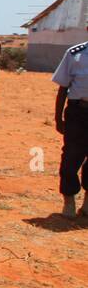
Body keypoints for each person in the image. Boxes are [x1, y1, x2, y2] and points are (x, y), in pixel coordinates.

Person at [52, 29, 88, 217]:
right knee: (71, 157)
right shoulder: (75, 54)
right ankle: (69, 200)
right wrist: (58, 118)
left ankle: (87, 203)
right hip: (78, 113)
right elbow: (62, 88)